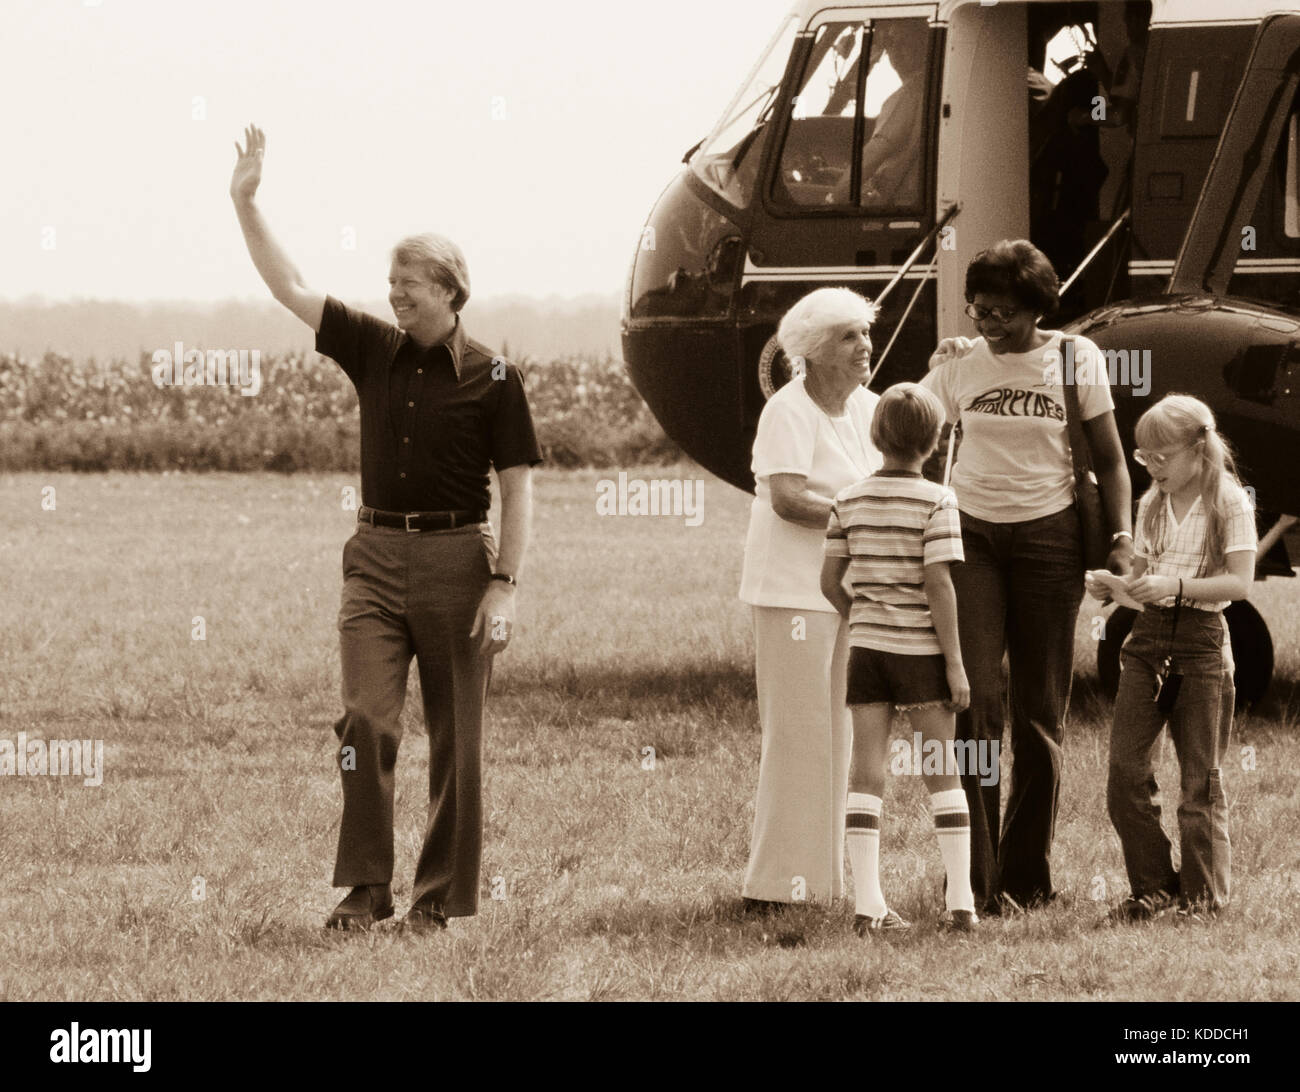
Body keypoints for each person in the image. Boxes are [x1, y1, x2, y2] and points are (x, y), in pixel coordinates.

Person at [229, 125, 541, 931]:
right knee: (364, 719)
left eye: (408, 283)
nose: (393, 294)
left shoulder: (496, 379)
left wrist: (504, 586)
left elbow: (518, 489)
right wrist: (245, 201)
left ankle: (436, 903)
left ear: (450, 288)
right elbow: (288, 285)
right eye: (391, 282)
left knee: (456, 741)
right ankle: (367, 888)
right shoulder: (372, 347)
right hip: (371, 556)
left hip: (456, 561)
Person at [922, 238, 1134, 915]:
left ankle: (1026, 877)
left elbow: (1111, 457)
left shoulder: (1077, 358)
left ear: (1037, 308)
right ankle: (974, 878)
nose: (988, 324)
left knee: (1039, 715)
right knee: (975, 703)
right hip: (972, 537)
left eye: (1004, 314)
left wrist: (1123, 538)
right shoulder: (959, 365)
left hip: (1051, 539)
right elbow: (900, 424)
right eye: (978, 310)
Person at [739, 287, 883, 910]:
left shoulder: (869, 408)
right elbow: (789, 499)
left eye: (865, 333)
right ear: (815, 350)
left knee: (840, 737)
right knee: (796, 735)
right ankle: (773, 888)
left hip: (845, 593)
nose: (865, 347)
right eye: (849, 337)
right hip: (791, 594)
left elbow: (921, 424)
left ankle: (822, 883)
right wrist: (867, 514)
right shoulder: (788, 410)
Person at [1090, 395, 1256, 922]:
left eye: (1161, 457)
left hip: (1203, 641)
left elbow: (1241, 583)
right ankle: (1154, 885)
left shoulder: (1229, 500)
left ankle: (1204, 899)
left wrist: (1175, 584)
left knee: (1199, 781)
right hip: (1147, 637)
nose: (1152, 467)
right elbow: (1144, 580)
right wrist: (1117, 588)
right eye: (1143, 458)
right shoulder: (1151, 504)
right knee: (1124, 774)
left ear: (1198, 449)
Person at [820, 383, 976, 935]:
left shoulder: (847, 499)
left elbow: (828, 582)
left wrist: (860, 615)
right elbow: (940, 585)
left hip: (867, 654)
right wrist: (955, 663)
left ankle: (869, 906)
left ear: (875, 434)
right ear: (933, 442)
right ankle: (962, 902)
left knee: (866, 773)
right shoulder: (939, 500)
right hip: (920, 656)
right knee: (941, 771)